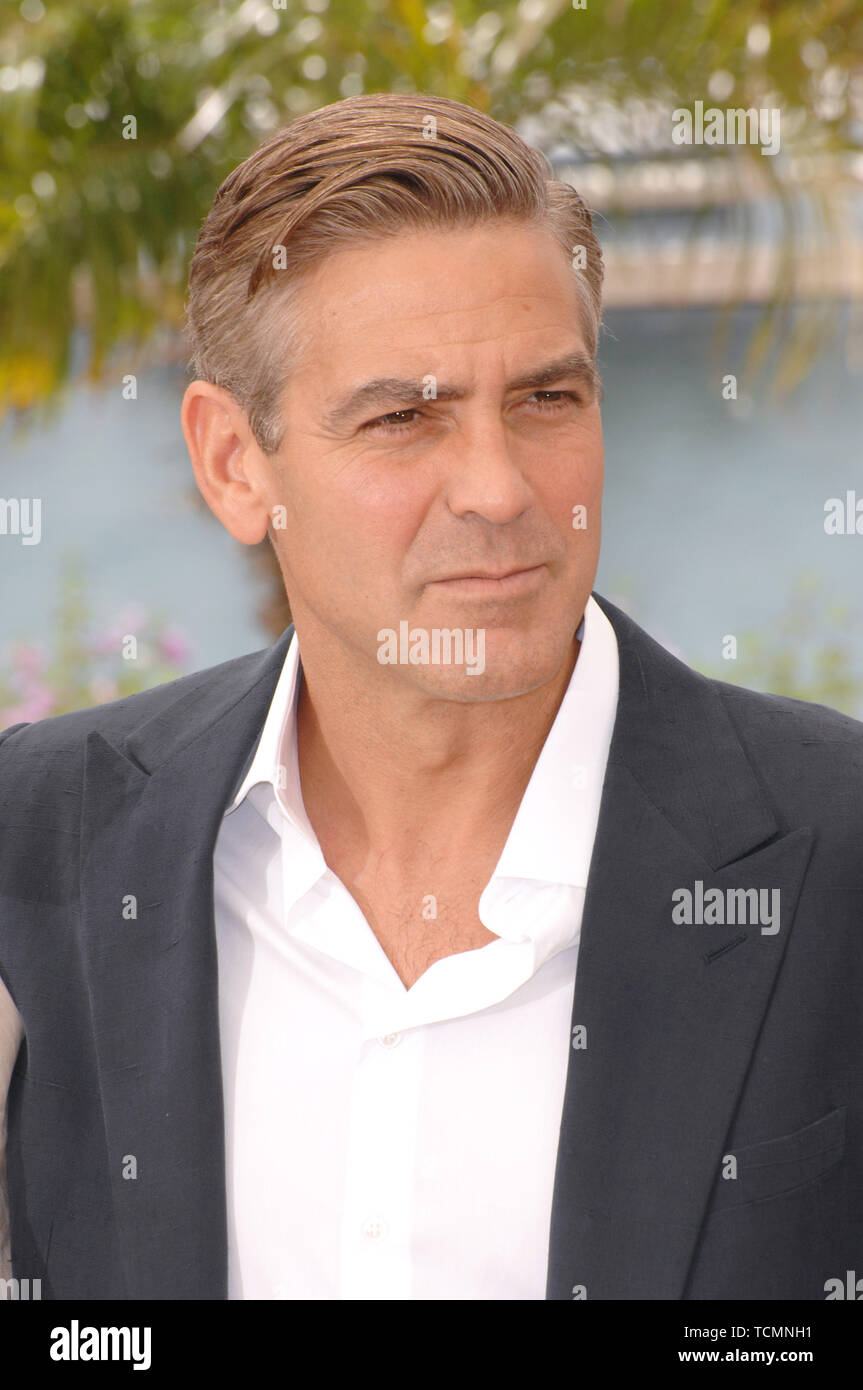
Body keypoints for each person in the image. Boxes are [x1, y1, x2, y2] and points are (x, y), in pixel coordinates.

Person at [0, 91, 860, 1301]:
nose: (499, 489)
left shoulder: (834, 846)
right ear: (235, 464)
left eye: (545, 399)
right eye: (404, 417)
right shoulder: (48, 835)